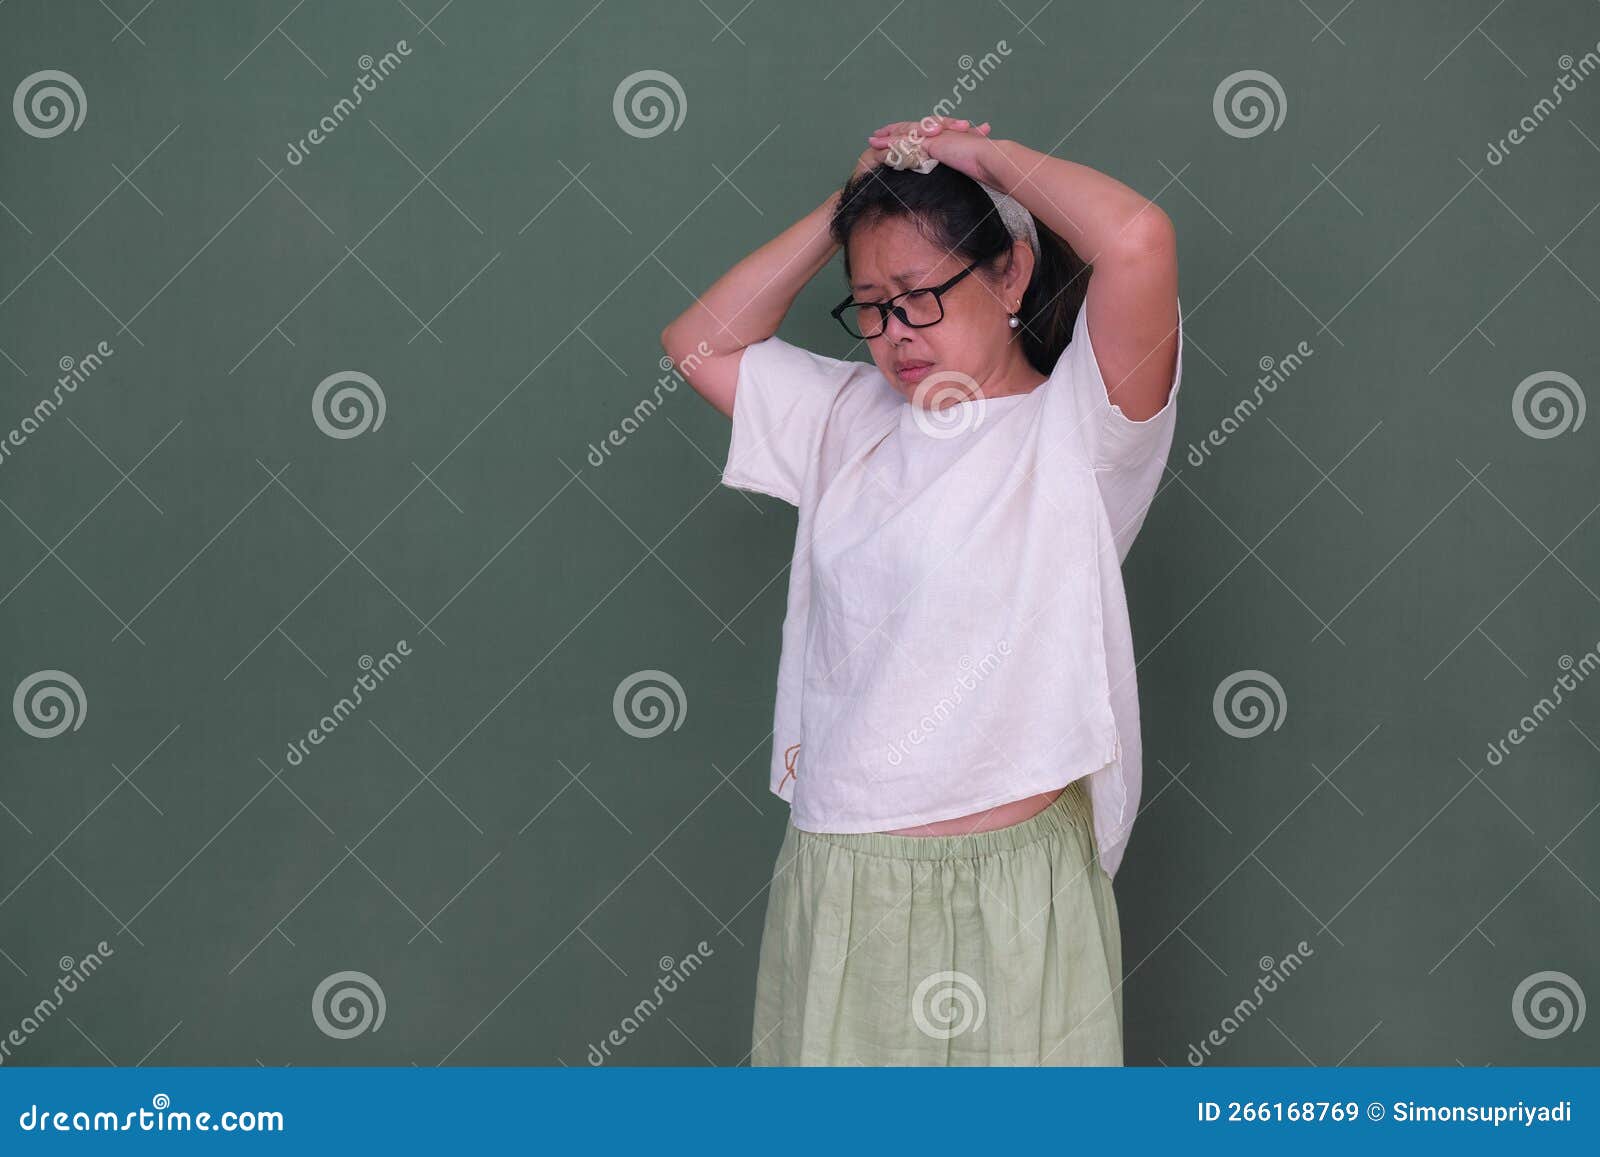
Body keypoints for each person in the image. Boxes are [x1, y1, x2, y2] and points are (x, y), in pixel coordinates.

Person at [660, 115, 1182, 1065]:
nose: (895, 336)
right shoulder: (843, 418)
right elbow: (701, 343)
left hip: (1020, 881)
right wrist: (850, 202)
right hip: (849, 869)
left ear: (1011, 273)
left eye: (920, 297)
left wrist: (979, 157)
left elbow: (1139, 239)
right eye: (869, 307)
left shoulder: (1084, 427)